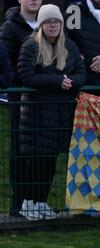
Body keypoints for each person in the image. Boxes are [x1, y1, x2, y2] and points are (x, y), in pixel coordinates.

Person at [16, 4, 86, 220]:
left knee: (50, 162)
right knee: (35, 162)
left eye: (56, 22)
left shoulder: (70, 46)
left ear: (61, 24)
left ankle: (40, 202)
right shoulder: (30, 46)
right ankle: (27, 204)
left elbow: (82, 72)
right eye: (48, 22)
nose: (53, 25)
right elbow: (25, 75)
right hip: (36, 116)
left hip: (59, 116)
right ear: (41, 25)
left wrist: (72, 82)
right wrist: (57, 81)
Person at [0, 0, 43, 217]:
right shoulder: (10, 27)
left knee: (44, 150)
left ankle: (37, 201)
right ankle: (18, 202)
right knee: (20, 150)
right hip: (21, 98)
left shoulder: (50, 22)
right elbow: (5, 62)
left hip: (46, 97)